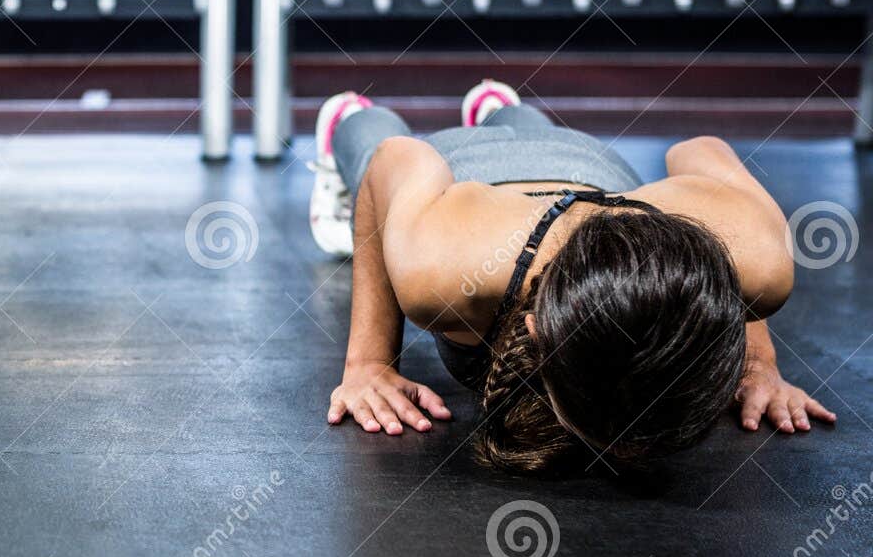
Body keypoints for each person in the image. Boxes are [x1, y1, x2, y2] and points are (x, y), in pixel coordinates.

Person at [309, 80, 835, 474]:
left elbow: (698, 151)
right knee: (372, 137)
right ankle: (351, 117)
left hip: (589, 164)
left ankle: (503, 111)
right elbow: (396, 160)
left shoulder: (758, 261)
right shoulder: (443, 268)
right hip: (465, 171)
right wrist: (370, 363)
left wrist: (758, 366)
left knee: (529, 130)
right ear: (536, 329)